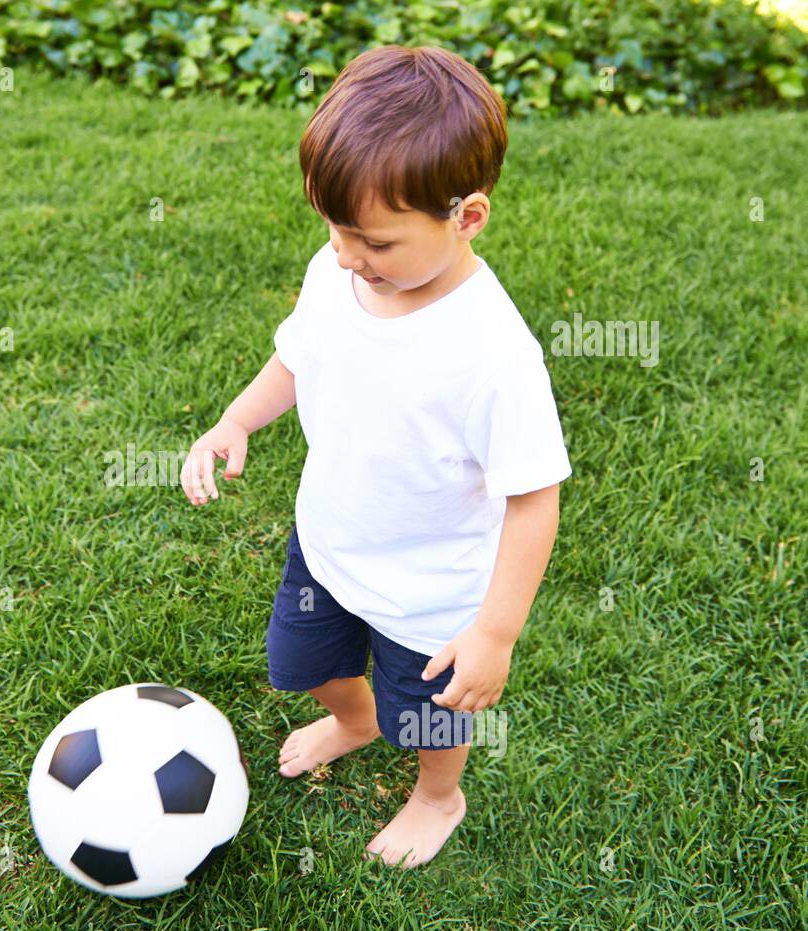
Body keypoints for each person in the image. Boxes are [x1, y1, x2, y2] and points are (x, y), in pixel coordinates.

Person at [179, 45, 572, 869]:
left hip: (431, 596)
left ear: (466, 217)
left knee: (426, 717)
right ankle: (352, 720)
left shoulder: (492, 353)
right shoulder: (338, 271)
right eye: (334, 226)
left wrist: (495, 632)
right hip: (329, 548)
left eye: (376, 241)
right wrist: (236, 421)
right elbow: (298, 357)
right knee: (299, 661)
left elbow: (535, 497)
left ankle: (439, 795)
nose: (349, 253)